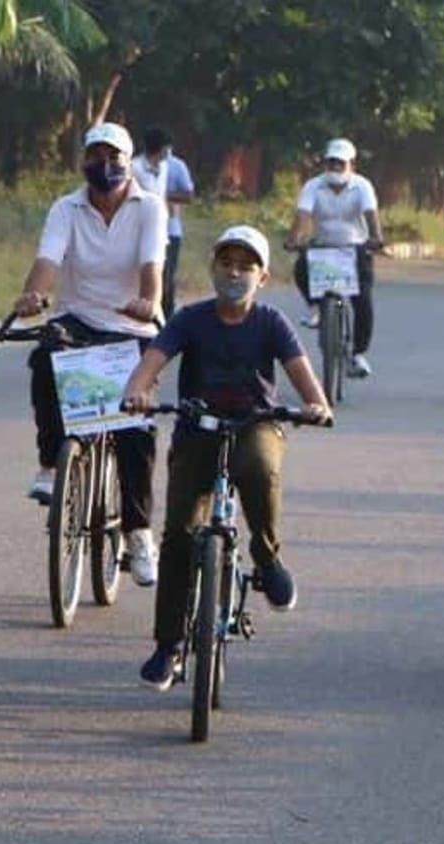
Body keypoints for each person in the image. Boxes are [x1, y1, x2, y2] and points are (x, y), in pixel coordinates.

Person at [121, 225, 333, 689]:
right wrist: (137, 392)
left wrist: (315, 406)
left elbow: (304, 379)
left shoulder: (271, 322)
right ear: (213, 268)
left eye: (245, 266)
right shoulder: (190, 319)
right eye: (226, 264)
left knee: (259, 468)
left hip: (255, 423)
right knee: (179, 534)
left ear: (262, 277)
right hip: (197, 427)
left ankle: (267, 559)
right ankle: (168, 646)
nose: (234, 273)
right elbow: (152, 362)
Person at [11, 121, 166, 587]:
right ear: (83, 161)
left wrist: (149, 301)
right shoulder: (67, 207)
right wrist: (33, 296)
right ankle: (49, 463)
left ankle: (138, 532)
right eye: (96, 155)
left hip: (131, 323)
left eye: (115, 156)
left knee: (135, 424)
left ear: (129, 161)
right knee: (44, 359)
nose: (106, 165)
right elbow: (47, 261)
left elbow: (152, 264)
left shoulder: (149, 207)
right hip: (77, 318)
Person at [284, 137, 385, 379]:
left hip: (356, 248)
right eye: (331, 163)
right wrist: (294, 239)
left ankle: (358, 353)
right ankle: (316, 308)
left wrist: (376, 238)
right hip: (323, 247)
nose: (335, 168)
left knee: (363, 300)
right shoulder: (313, 186)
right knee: (301, 269)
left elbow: (371, 215)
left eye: (341, 163)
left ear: (352, 165)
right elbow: (302, 216)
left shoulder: (362, 186)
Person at [132, 127, 196, 319]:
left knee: (166, 278)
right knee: (145, 274)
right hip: (140, 230)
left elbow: (184, 194)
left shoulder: (166, 167)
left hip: (166, 231)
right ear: (161, 148)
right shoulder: (135, 168)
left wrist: (166, 202)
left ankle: (165, 320)